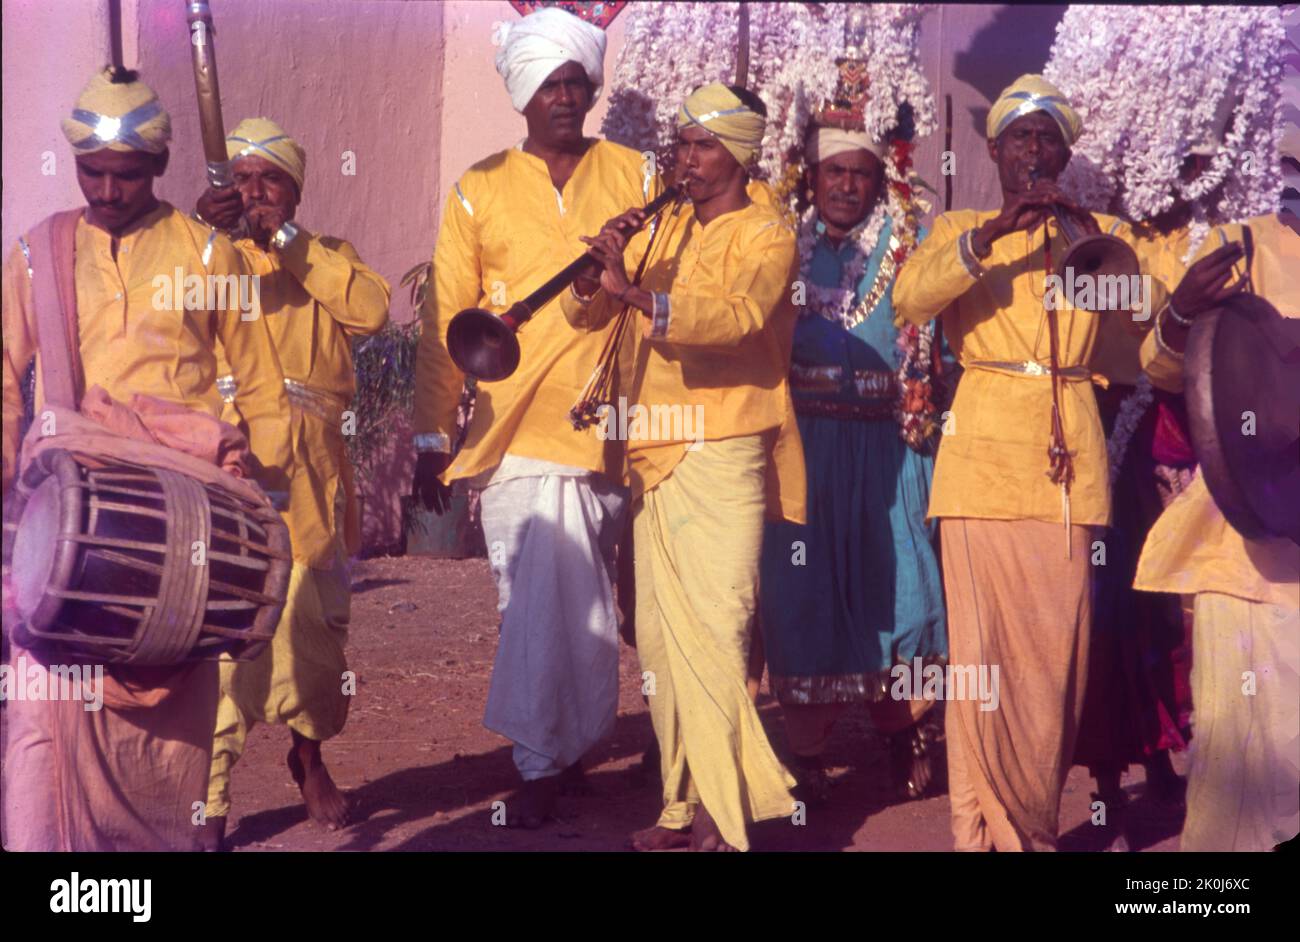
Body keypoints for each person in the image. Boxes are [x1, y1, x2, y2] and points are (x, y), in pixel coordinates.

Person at [1, 66, 290, 851]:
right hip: (67, 524)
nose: (105, 189)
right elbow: (3, 376)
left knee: (166, 751)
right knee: (39, 745)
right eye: (91, 172)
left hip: (174, 536)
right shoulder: (38, 255)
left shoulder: (209, 255)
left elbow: (261, 383)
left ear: (159, 167)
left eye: (125, 174)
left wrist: (254, 486)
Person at [892, 74, 1151, 851]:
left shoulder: (1098, 230)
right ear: (996, 151)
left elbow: (1140, 323)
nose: (1034, 153)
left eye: (1047, 139)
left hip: (1068, 469)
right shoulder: (962, 225)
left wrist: (1082, 239)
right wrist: (994, 236)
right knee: (981, 660)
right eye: (1019, 139)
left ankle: (1030, 823)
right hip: (979, 466)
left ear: (1065, 155)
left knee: (1052, 662)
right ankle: (982, 833)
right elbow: (912, 297)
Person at [411, 7, 654, 828]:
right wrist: (428, 429)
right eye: (548, 84)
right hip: (515, 430)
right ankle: (539, 760)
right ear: (521, 92)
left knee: (591, 604)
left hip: (615, 427)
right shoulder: (479, 187)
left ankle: (574, 743)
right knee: (531, 598)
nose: (563, 98)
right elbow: (448, 319)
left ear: (590, 89)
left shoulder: (635, 174)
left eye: (575, 83)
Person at [569, 82, 805, 852]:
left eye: (703, 146)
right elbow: (590, 312)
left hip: (724, 445)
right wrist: (595, 272)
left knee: (719, 629)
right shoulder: (663, 229)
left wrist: (637, 293)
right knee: (665, 642)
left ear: (738, 153)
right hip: (654, 446)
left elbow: (738, 319)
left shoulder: (768, 233)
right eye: (682, 144)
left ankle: (723, 810)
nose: (686, 159)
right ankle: (680, 803)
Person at [193, 117, 391, 850]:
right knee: (223, 642)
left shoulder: (326, 256)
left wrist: (288, 244)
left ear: (295, 190)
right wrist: (197, 229)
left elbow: (370, 311)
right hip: (230, 472)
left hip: (312, 482)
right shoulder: (205, 255)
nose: (254, 193)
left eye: (268, 179)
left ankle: (307, 756)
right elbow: (162, 302)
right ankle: (210, 799)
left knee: (313, 640)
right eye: (240, 181)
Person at [758, 114, 947, 806]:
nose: (845, 185)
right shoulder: (780, 243)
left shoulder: (911, 244)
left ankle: (904, 731)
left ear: (879, 179)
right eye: (832, 171)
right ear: (811, 178)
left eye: (859, 172)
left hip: (887, 453)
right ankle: (806, 752)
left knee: (899, 595)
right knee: (797, 597)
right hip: (800, 451)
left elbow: (942, 337)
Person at [1134, 210, 1299, 851]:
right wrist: (1178, 311)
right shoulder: (1244, 244)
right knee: (1245, 753)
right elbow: (1163, 366)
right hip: (1248, 540)